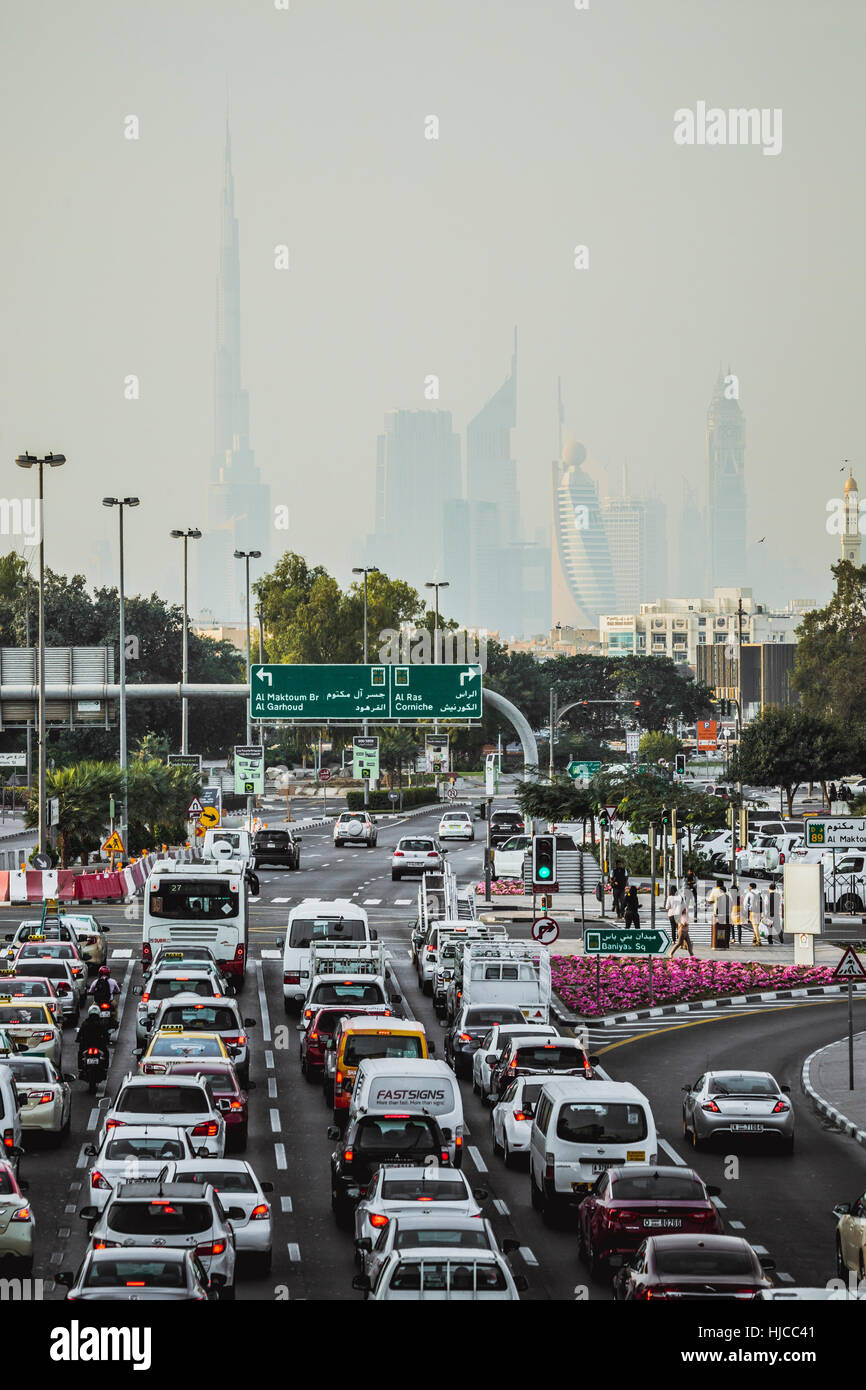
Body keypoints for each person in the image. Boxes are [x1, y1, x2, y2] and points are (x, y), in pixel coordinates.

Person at [707, 880, 731, 950]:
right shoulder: (728, 895)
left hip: (719, 914)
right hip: (727, 914)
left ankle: (718, 942)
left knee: (718, 929)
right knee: (727, 929)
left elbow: (711, 902)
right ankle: (726, 943)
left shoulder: (715, 892)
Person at [743, 882, 762, 947]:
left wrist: (745, 911)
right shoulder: (759, 893)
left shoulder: (749, 894)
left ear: (751, 887)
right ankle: (754, 939)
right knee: (756, 926)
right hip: (759, 911)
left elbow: (745, 903)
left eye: (749, 887)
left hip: (753, 911)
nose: (748, 888)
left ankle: (758, 940)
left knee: (755, 926)